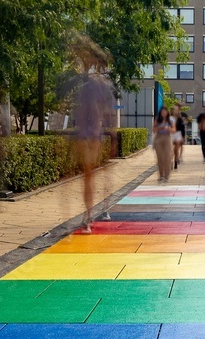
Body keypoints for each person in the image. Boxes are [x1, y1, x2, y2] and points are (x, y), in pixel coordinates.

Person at [72, 37, 116, 232]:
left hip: (91, 135)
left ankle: (92, 213)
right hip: (88, 135)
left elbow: (107, 112)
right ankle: (90, 214)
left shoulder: (98, 85)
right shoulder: (90, 85)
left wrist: (111, 131)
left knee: (91, 175)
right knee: (89, 175)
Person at [153, 106, 174, 182]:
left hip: (167, 137)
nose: (164, 113)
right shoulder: (157, 119)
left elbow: (174, 130)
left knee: (167, 157)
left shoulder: (170, 120)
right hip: (158, 137)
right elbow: (154, 129)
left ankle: (166, 175)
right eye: (162, 112)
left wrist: (168, 129)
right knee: (160, 157)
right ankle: (161, 175)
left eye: (165, 112)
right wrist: (160, 128)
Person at [172, 104, 186, 169]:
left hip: (178, 134)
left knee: (176, 148)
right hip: (171, 134)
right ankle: (170, 161)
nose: (175, 111)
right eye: (174, 110)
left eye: (177, 110)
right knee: (171, 149)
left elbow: (183, 128)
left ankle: (176, 162)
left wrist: (183, 136)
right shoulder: (170, 118)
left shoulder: (180, 119)